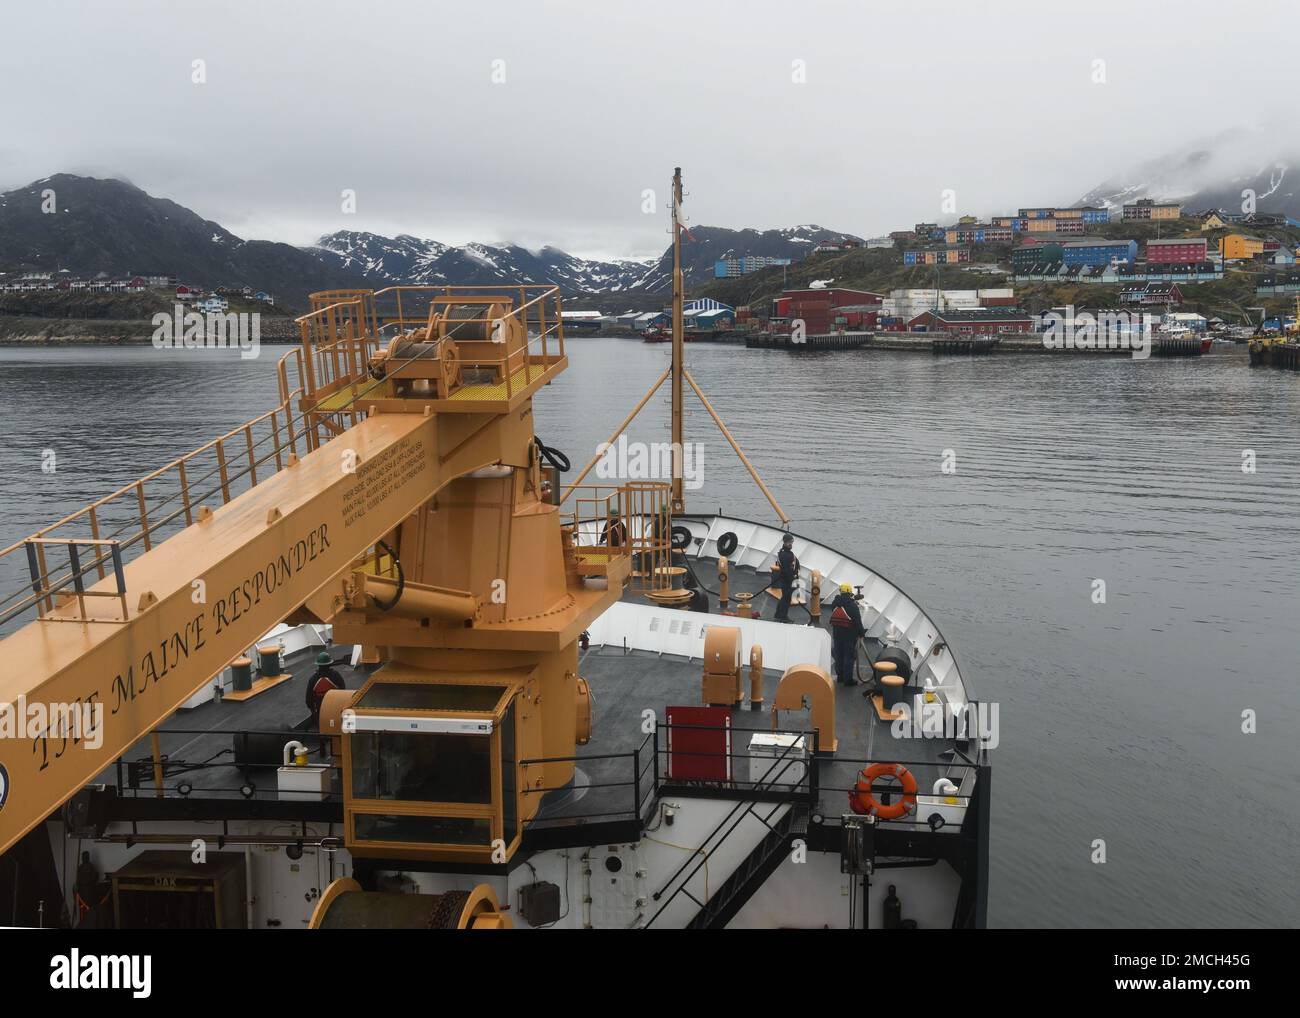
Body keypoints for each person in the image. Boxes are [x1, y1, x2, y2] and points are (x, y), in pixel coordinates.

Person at [828, 582, 866, 684]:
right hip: (849, 635)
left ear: (841, 592)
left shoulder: (835, 603)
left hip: (837, 633)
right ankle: (848, 680)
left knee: (838, 654)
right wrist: (862, 634)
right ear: (850, 593)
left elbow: (843, 603)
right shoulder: (852, 606)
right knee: (848, 656)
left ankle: (840, 677)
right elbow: (857, 622)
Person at [306, 651, 346, 725]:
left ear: (318, 664)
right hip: (335, 708)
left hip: (320, 710)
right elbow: (343, 691)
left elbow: (308, 700)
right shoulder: (336, 675)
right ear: (330, 663)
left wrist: (313, 712)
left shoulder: (313, 679)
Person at [774, 533, 799, 622]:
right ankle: (783, 616)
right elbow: (786, 570)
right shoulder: (785, 555)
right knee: (786, 598)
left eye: (791, 542)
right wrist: (793, 582)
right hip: (787, 580)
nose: (790, 544)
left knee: (784, 597)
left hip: (787, 579)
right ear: (784, 542)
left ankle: (778, 614)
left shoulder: (785, 552)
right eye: (789, 542)